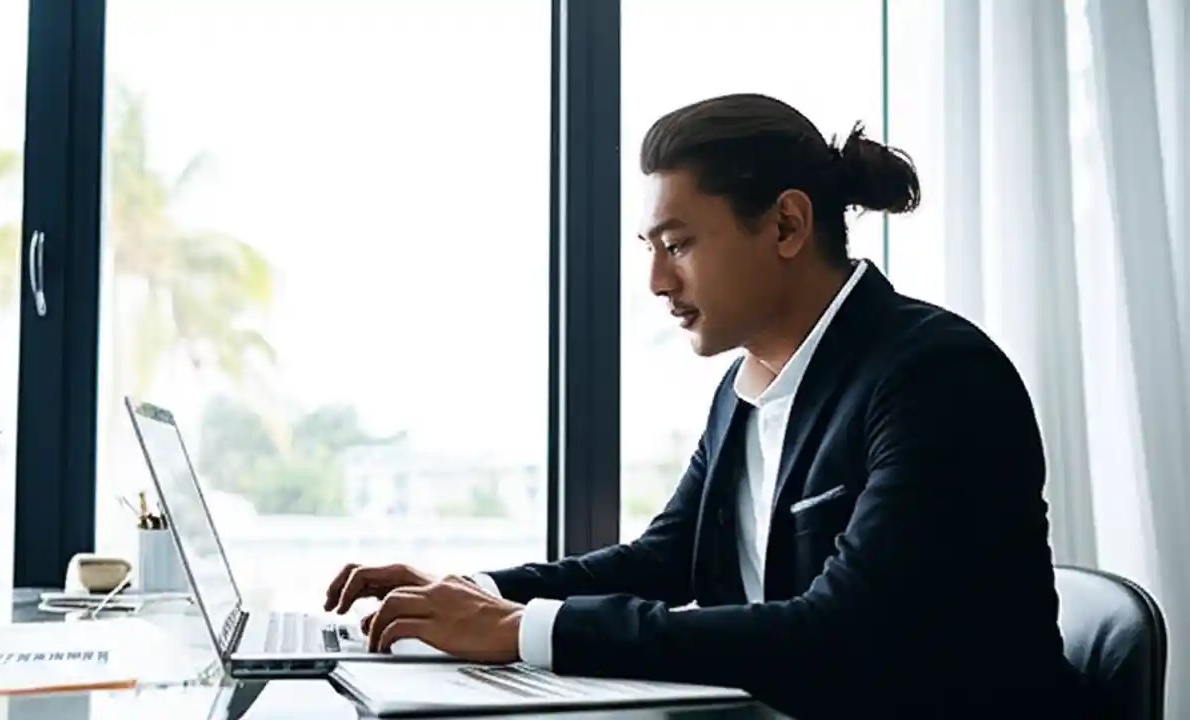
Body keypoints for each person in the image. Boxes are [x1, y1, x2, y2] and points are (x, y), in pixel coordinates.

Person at [323, 94, 1086, 718]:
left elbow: (843, 631)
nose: (656, 281)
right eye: (649, 249)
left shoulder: (935, 376)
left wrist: (520, 630)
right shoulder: (747, 384)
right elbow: (669, 557)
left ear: (787, 224)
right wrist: (473, 595)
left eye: (677, 245)